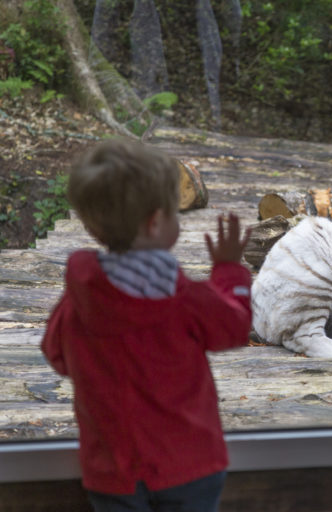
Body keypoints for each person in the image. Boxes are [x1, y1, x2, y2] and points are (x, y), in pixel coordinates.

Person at [41, 138, 252, 511]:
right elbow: (233, 328)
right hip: (189, 464)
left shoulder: (79, 299)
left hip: (112, 469)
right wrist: (229, 270)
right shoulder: (183, 298)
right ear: (156, 223)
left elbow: (56, 355)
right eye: (175, 213)